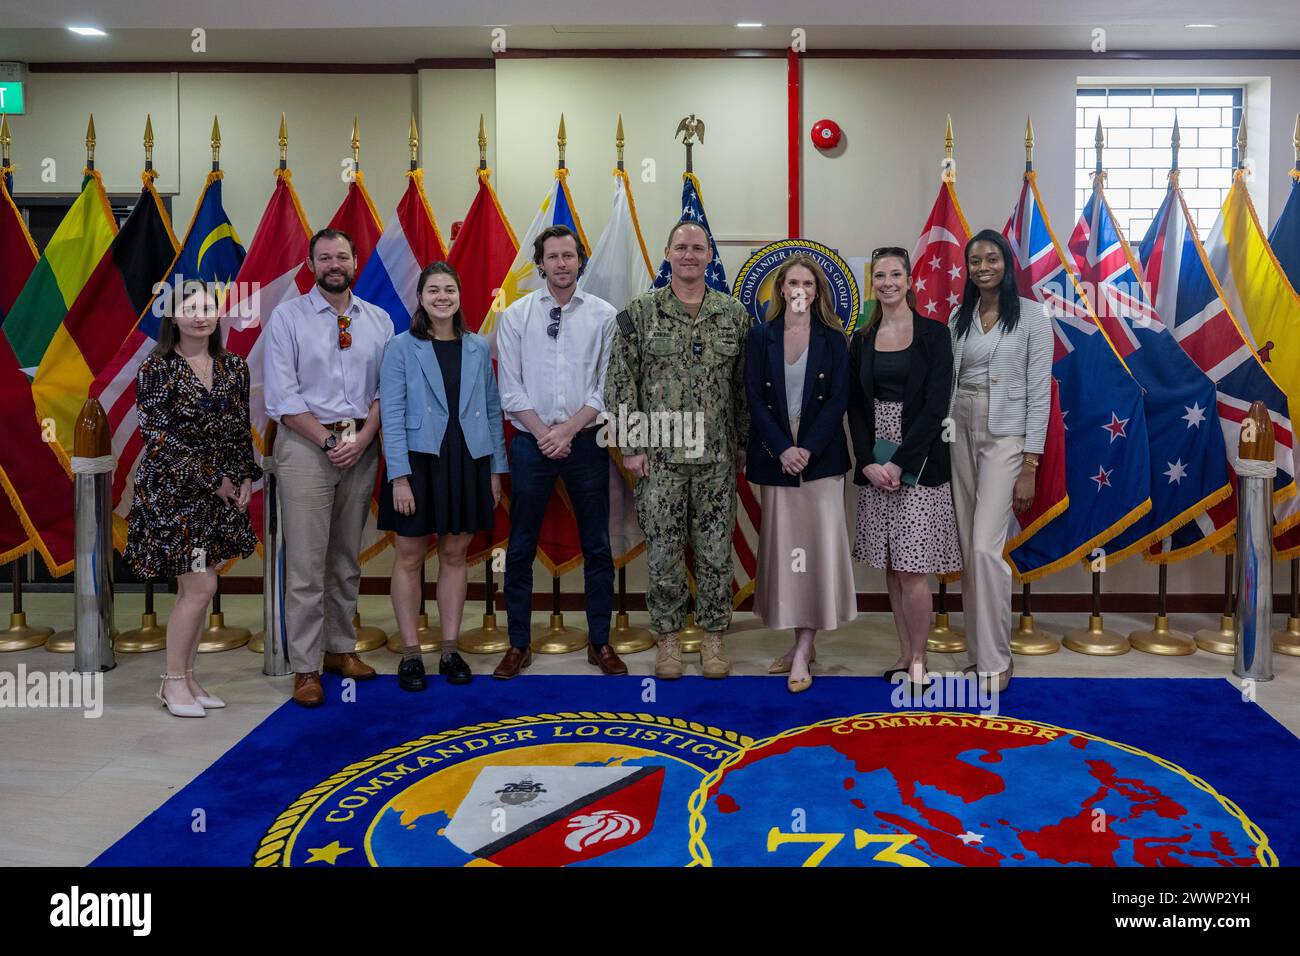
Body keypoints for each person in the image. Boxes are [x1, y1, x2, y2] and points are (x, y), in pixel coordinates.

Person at [604, 220, 749, 679]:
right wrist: (631, 445)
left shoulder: (734, 315)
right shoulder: (641, 313)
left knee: (714, 553)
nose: (689, 254)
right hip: (660, 462)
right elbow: (620, 382)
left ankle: (712, 639)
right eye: (681, 247)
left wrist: (744, 444)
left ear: (710, 256)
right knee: (664, 554)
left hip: (717, 461)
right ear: (667, 253)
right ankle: (667, 639)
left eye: (698, 248)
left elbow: (744, 388)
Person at [263, 228, 393, 707]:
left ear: (355, 262)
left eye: (342, 256)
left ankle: (340, 649)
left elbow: (384, 390)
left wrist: (361, 438)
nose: (334, 264)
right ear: (311, 263)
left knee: (344, 558)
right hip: (305, 445)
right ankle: (305, 666)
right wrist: (328, 439)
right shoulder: (288, 317)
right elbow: (281, 396)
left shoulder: (378, 320)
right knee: (305, 562)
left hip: (361, 445)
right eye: (325, 257)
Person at [493, 225, 625, 679]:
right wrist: (545, 434)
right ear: (541, 263)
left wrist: (567, 431)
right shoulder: (516, 316)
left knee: (598, 546)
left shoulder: (605, 316)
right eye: (553, 256)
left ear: (580, 261)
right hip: (531, 443)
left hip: (586, 441)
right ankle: (517, 645)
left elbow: (605, 387)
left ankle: (600, 643)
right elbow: (510, 389)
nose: (562, 264)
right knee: (521, 546)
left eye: (569, 256)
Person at [125, 286, 260, 718]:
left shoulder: (234, 367)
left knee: (201, 587)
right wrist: (212, 478)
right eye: (189, 309)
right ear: (173, 317)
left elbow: (240, 429)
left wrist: (243, 478)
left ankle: (189, 674)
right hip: (175, 497)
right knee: (200, 586)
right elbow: (159, 438)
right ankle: (172, 681)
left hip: (219, 498)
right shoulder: (156, 368)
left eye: (207, 308)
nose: (200, 316)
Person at [379, 262, 506, 690]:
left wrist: (494, 471)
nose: (441, 296)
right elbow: (391, 415)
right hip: (417, 462)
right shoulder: (400, 347)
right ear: (420, 297)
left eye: (449, 289)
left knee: (455, 557)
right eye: (432, 289)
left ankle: (450, 650)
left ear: (458, 296)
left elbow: (492, 412)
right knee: (410, 557)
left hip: (467, 461)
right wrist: (399, 476)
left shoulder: (475, 346)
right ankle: (412, 655)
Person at [848, 247, 963, 689]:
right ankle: (903, 652)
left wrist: (900, 462)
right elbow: (854, 407)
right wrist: (871, 462)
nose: (888, 282)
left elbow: (936, 407)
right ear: (872, 282)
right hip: (876, 463)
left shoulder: (935, 335)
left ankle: (920, 658)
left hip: (921, 458)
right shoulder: (861, 337)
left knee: (915, 568)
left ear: (910, 280)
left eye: (896, 274)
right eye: (880, 275)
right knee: (893, 566)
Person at [745, 254, 857, 693]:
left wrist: (806, 449)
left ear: (817, 291)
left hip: (821, 464)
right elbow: (754, 399)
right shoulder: (761, 337)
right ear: (781, 289)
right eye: (793, 282)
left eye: (808, 283)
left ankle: (806, 647)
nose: (800, 290)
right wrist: (783, 449)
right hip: (777, 463)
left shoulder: (834, 339)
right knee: (788, 556)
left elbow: (839, 401)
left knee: (816, 553)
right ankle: (799, 644)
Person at [948, 229, 1052, 693]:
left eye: (991, 258)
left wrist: (1031, 462)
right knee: (971, 547)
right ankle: (978, 655)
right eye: (974, 260)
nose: (982, 266)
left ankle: (996, 660)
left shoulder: (1032, 317)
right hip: (958, 429)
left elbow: (1039, 392)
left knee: (987, 547)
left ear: (1006, 264)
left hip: (1006, 434)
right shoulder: (958, 317)